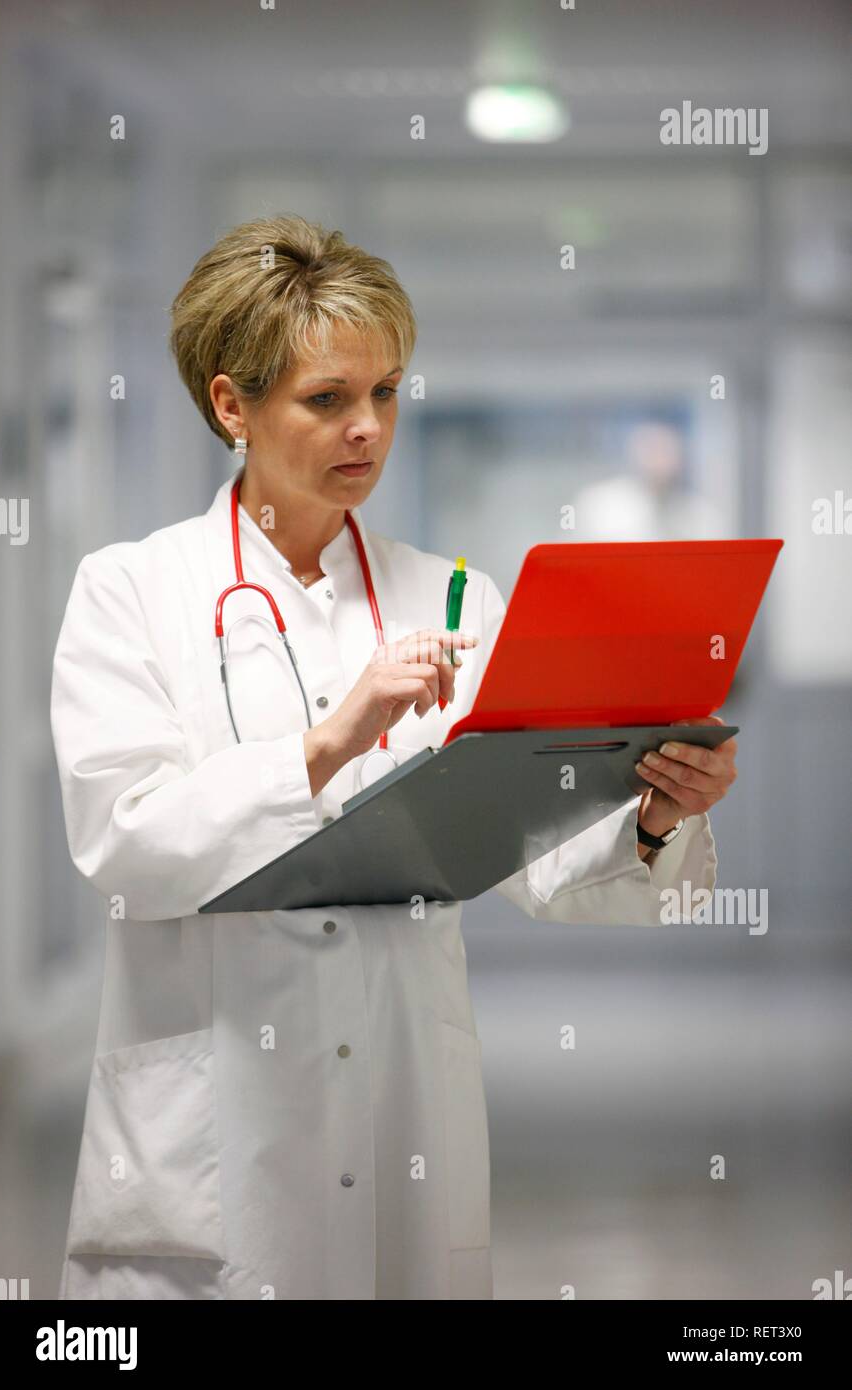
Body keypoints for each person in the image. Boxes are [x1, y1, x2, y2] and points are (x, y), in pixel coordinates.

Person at [50, 215, 738, 1301]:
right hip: (220, 1129)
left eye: (386, 392)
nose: (366, 427)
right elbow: (121, 842)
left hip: (401, 1112)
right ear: (231, 405)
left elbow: (541, 862)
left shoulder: (453, 597)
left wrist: (653, 816)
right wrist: (323, 746)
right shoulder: (132, 591)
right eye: (326, 399)